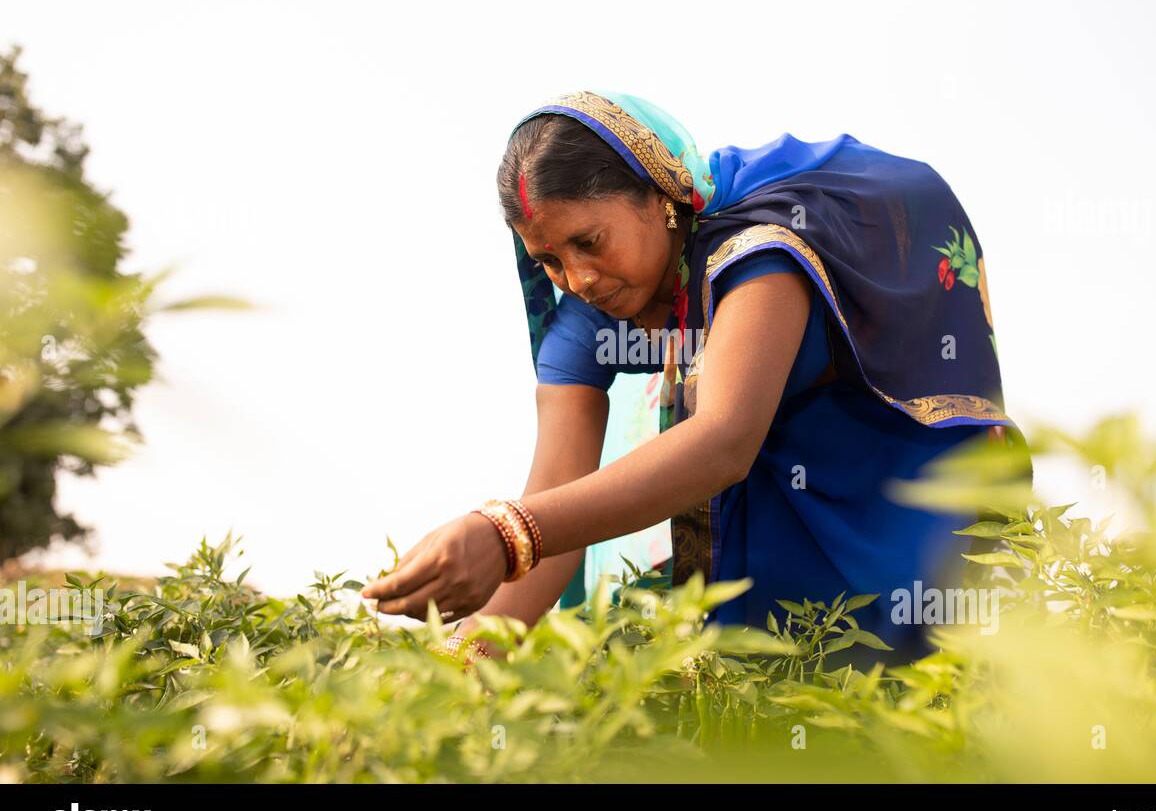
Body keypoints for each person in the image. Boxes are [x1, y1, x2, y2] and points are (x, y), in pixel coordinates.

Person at [361, 90, 1030, 667]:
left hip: (895, 515)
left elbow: (723, 441)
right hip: (772, 558)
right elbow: (554, 510)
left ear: (659, 199)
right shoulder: (586, 320)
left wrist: (501, 534)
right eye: (550, 261)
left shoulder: (761, 251)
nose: (578, 279)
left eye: (589, 242)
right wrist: (485, 637)